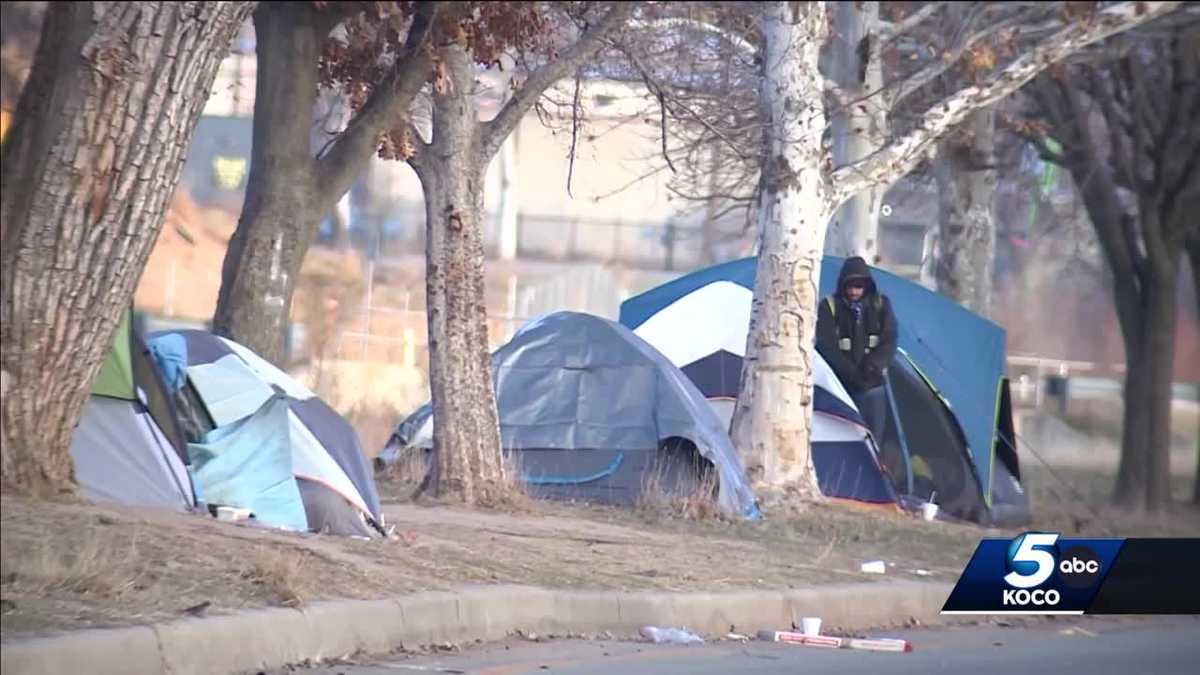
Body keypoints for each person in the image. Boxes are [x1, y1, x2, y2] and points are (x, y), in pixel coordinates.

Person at [816, 256, 898, 444]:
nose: (854, 291)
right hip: (840, 388)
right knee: (842, 438)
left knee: (873, 439)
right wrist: (850, 372)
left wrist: (873, 366)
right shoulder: (829, 307)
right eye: (850, 286)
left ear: (867, 286)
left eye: (859, 286)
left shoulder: (880, 306)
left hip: (873, 386)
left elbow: (889, 340)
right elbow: (826, 346)